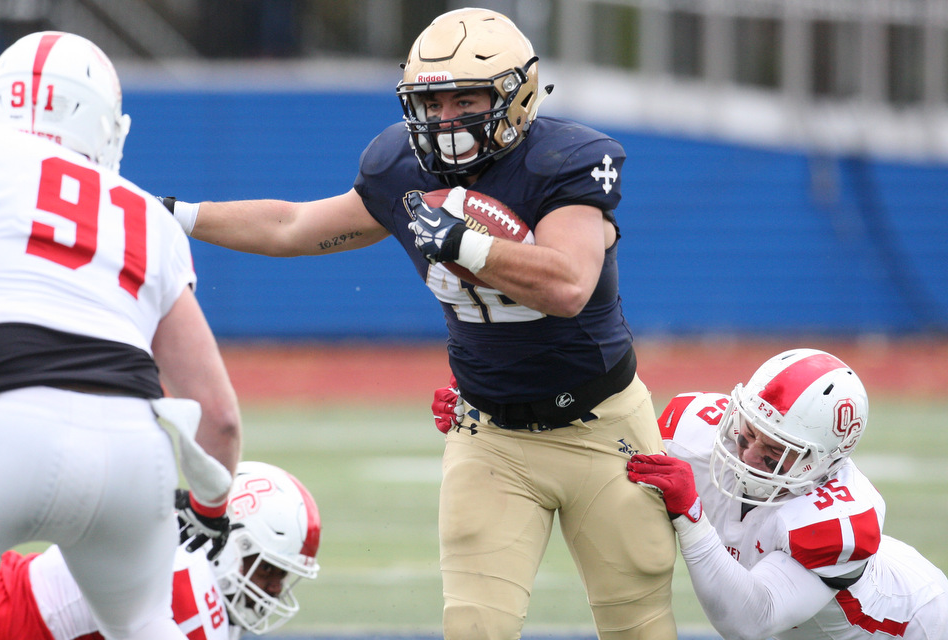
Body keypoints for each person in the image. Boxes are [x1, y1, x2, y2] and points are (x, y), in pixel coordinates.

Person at [160, 7, 676, 638]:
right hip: (492, 436)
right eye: (433, 103)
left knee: (640, 628)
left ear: (518, 96)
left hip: (605, 428)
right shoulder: (401, 167)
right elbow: (292, 226)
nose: (447, 119)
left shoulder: (564, 161)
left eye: (467, 99)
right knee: (474, 630)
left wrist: (467, 245)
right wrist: (175, 215)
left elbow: (568, 285)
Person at [0, 31, 242, 639]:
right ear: (106, 126)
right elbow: (220, 416)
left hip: (1, 431)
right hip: (132, 457)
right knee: (146, 623)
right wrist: (208, 517)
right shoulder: (146, 213)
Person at [626, 348, 948, 639]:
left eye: (775, 449)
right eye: (749, 432)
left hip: (909, 626)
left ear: (822, 462)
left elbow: (750, 621)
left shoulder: (837, 520)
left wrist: (692, 518)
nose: (748, 455)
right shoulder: (694, 431)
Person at [0, 460, 320, 640]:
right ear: (233, 543)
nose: (273, 589)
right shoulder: (187, 583)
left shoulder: (187, 559)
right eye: (266, 569)